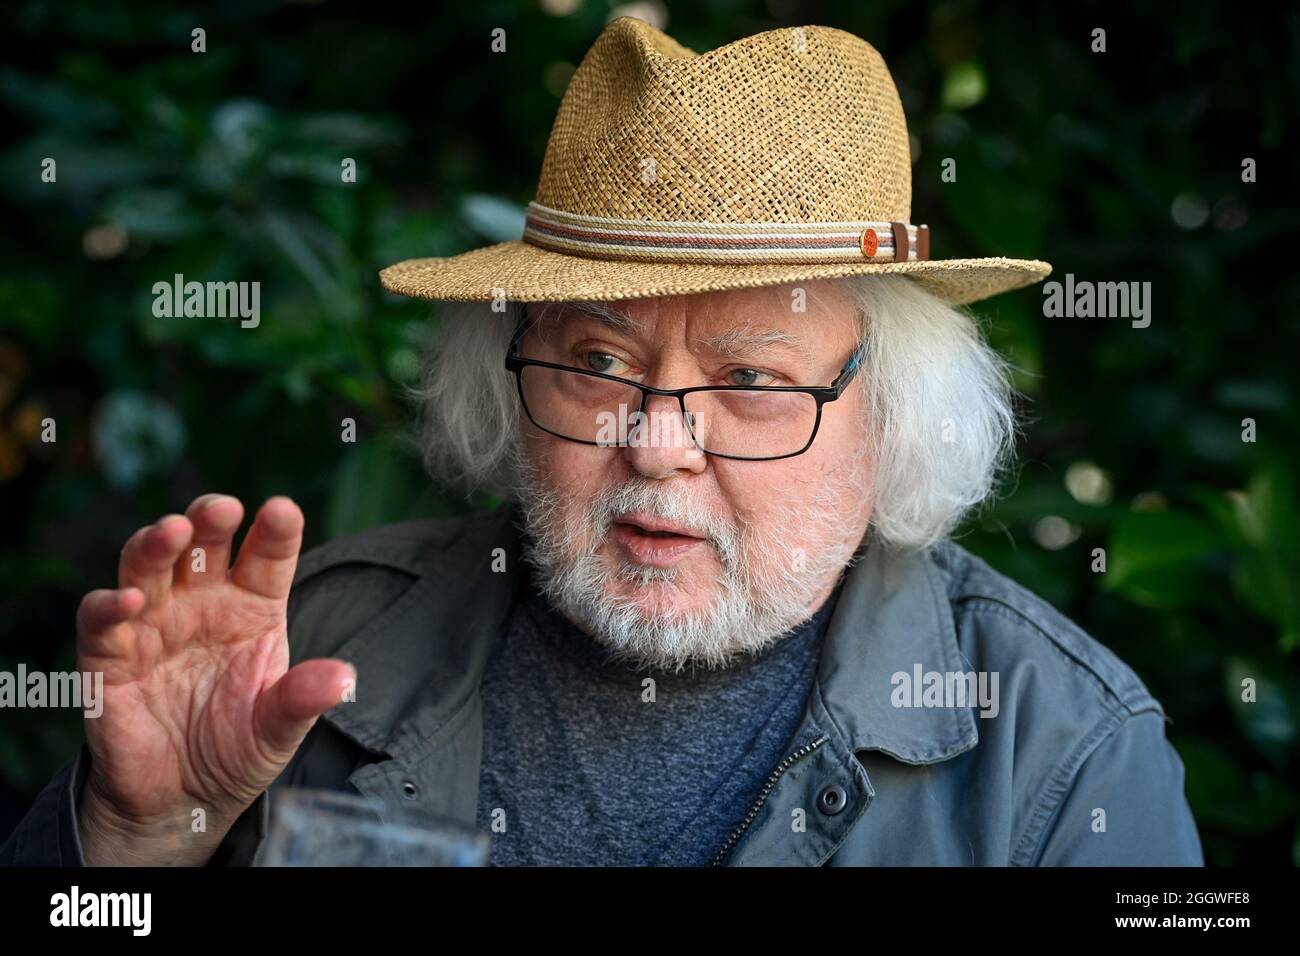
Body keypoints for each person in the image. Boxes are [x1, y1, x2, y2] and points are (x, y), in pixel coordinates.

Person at [1, 18, 1202, 866]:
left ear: (889, 417)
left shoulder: (1064, 751)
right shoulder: (309, 644)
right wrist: (133, 843)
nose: (658, 443)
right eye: (598, 361)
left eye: (749, 379)